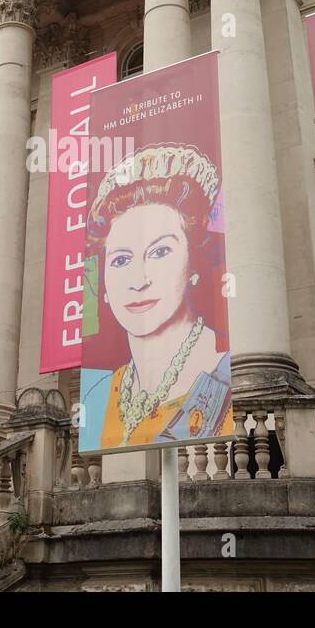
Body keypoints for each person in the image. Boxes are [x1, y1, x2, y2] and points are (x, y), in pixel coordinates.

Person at [79, 143, 232, 449]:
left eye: (160, 252)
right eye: (121, 260)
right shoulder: (98, 393)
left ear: (194, 264)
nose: (139, 280)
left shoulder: (228, 372)